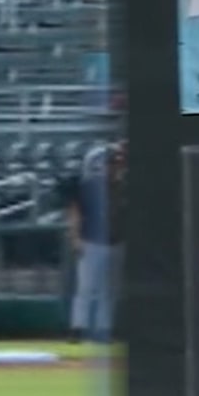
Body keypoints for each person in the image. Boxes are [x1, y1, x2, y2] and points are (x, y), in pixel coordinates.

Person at [59, 140, 123, 343]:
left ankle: (105, 329)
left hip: (116, 242)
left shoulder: (124, 186)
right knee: (86, 288)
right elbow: (75, 212)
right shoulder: (89, 185)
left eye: (115, 163)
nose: (112, 167)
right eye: (109, 163)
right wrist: (75, 237)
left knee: (108, 291)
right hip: (91, 241)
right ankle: (78, 328)